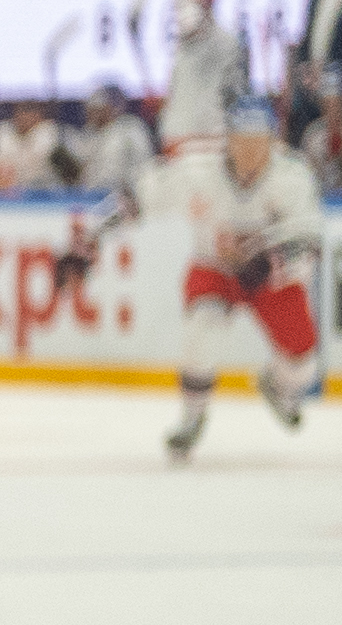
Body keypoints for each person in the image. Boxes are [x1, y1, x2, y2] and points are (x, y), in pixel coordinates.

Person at [65, 97, 322, 462]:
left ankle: (278, 384)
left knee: (302, 365)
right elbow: (135, 198)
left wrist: (269, 262)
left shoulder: (293, 177)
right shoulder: (195, 170)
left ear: (272, 140)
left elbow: (310, 239)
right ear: (227, 140)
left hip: (274, 278)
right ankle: (191, 418)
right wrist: (90, 235)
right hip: (214, 266)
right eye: (241, 140)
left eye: (258, 140)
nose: (249, 151)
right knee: (200, 334)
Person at [155, 0, 246, 155]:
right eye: (179, 6)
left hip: (207, 141)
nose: (180, 12)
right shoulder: (182, 46)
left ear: (206, 7)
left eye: (190, 4)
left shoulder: (225, 43)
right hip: (175, 141)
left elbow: (234, 96)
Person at [69, 83, 155, 194]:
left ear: (109, 107)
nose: (91, 115)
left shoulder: (130, 128)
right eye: (89, 110)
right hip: (95, 197)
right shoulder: (90, 134)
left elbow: (146, 164)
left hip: (127, 196)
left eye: (96, 110)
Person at [0, 98, 67, 191]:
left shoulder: (52, 132)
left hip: (47, 194)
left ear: (39, 114)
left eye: (30, 111)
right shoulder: (2, 130)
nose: (24, 116)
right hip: (9, 195)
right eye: (21, 111)